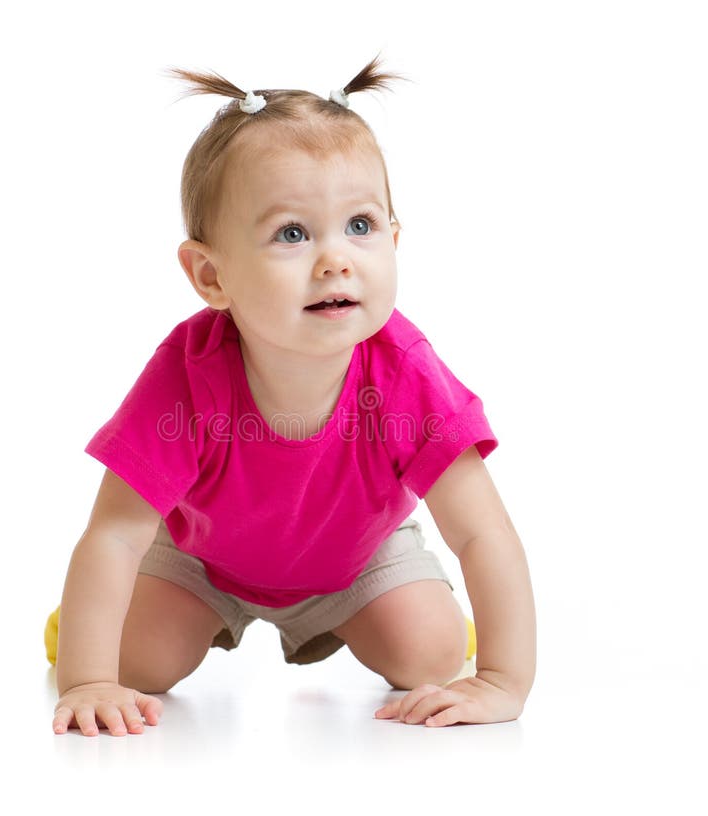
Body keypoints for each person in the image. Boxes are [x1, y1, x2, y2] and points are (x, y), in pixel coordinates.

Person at [50, 53, 536, 737]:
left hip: (355, 554)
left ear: (395, 241)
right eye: (292, 233)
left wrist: (503, 680)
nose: (336, 258)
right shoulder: (188, 376)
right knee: (135, 663)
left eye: (361, 226)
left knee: (432, 653)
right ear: (211, 275)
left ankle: (424, 613)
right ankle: (81, 627)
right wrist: (87, 677)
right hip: (206, 554)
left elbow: (484, 530)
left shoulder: (405, 374)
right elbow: (114, 533)